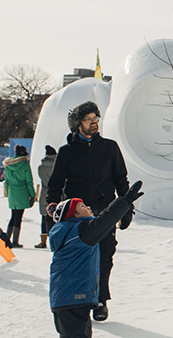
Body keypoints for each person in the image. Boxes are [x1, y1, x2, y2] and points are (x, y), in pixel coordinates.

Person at [44, 183, 143, 338]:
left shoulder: (67, 230)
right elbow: (106, 220)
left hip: (65, 297)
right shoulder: (80, 231)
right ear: (73, 214)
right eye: (82, 206)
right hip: (74, 296)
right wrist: (125, 201)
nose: (88, 207)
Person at [46, 102, 131, 322]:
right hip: (77, 217)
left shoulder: (110, 147)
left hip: (105, 213)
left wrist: (126, 207)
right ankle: (79, 298)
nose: (94, 122)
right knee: (79, 259)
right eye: (88, 119)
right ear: (77, 124)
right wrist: (52, 205)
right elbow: (55, 183)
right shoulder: (67, 152)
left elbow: (121, 179)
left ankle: (100, 300)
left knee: (104, 257)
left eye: (96, 118)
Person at [2, 145, 36, 248]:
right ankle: (15, 241)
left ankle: (7, 239)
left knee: (13, 216)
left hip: (12, 192)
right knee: (18, 217)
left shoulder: (8, 164)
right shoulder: (25, 164)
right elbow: (29, 181)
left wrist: (8, 193)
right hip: (22, 192)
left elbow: (6, 182)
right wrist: (33, 195)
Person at [35, 145, 57, 249]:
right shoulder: (57, 166)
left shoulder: (41, 167)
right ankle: (55, 239)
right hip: (56, 192)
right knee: (56, 217)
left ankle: (43, 241)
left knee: (44, 217)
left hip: (44, 192)